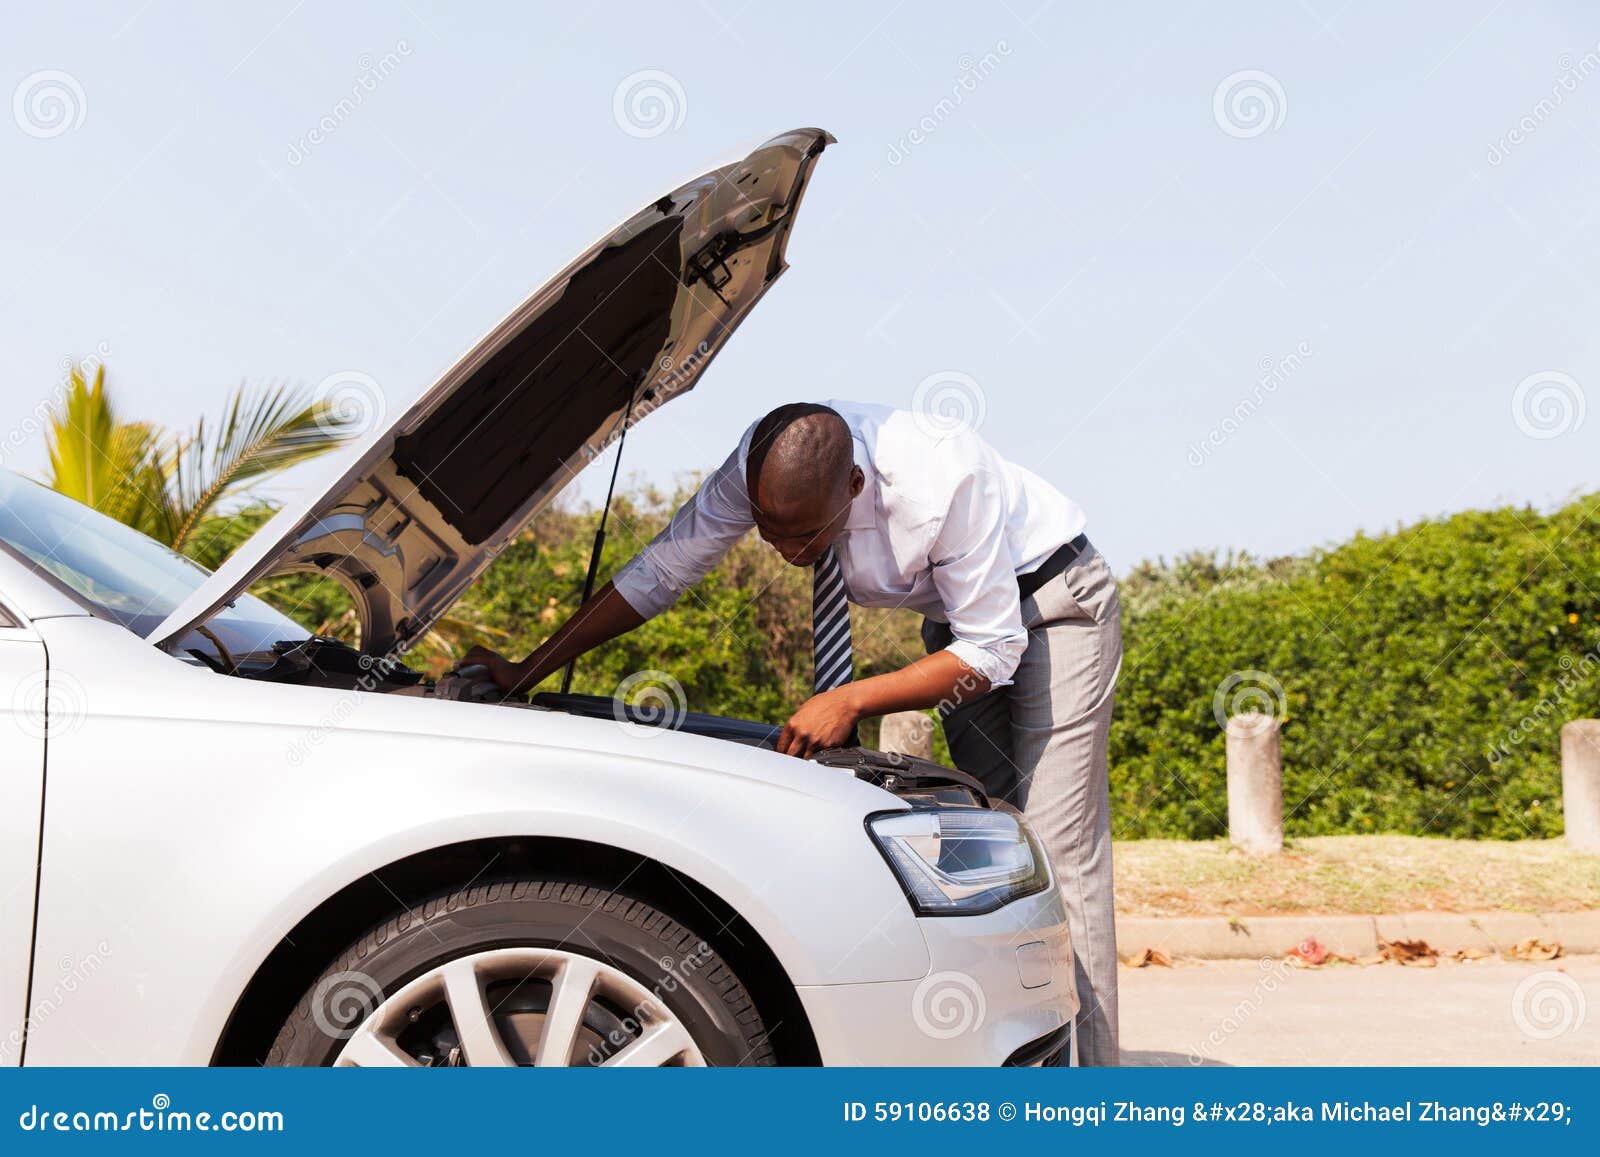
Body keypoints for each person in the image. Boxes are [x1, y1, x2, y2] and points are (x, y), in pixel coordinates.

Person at [460, 399, 1124, 1065]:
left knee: (1061, 849)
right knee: (1003, 843)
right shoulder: (763, 466)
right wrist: (527, 669)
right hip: (958, 628)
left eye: (804, 534)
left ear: (855, 486)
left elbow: (994, 649)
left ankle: (1096, 1089)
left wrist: (850, 699)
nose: (786, 550)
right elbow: (662, 571)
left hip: (1053, 604)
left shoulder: (944, 476)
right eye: (768, 530)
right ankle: (1032, 1067)